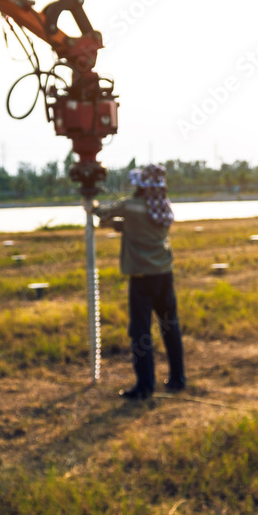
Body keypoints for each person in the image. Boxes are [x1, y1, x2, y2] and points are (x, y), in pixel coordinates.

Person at [86, 164, 186, 400]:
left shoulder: (129, 206)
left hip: (142, 278)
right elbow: (139, 226)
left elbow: (103, 213)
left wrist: (93, 205)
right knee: (169, 326)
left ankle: (144, 387)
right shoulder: (163, 206)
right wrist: (119, 224)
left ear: (140, 185)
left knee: (141, 332)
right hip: (164, 274)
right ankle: (177, 378)